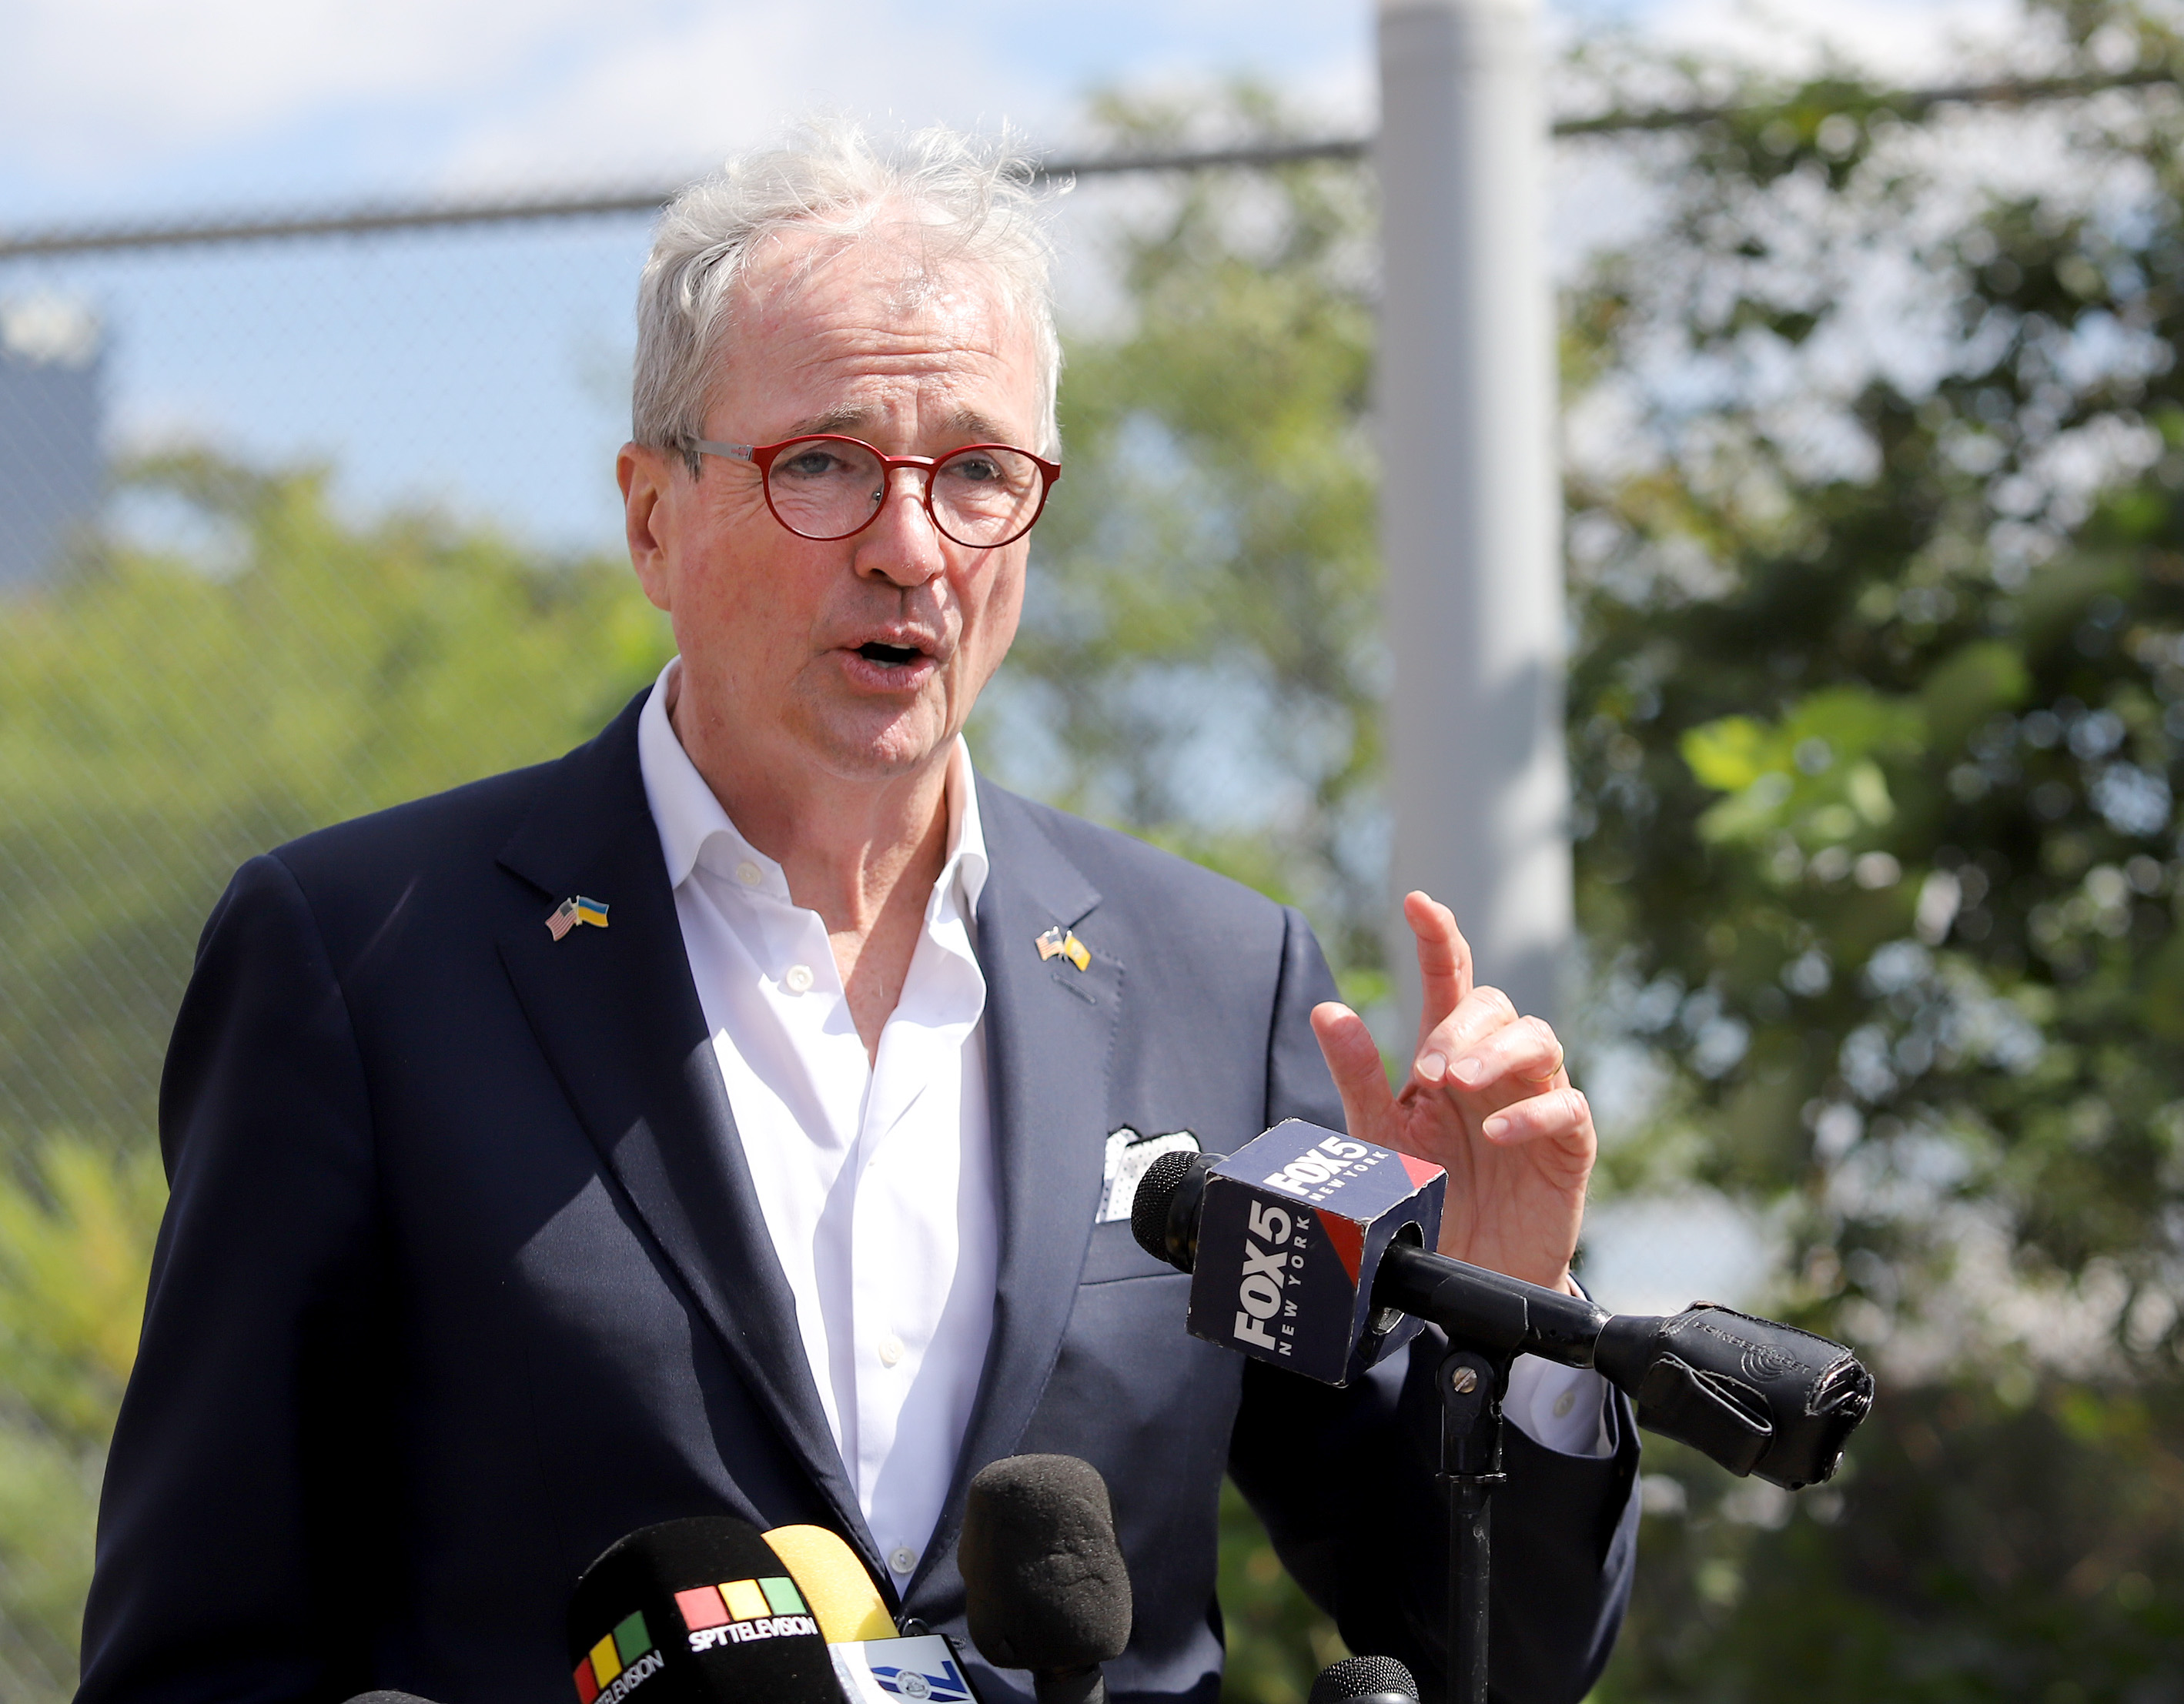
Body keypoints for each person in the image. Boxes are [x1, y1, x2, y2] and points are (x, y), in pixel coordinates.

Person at [78, 123, 1637, 1704]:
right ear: (651, 518)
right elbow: (200, 1658)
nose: (910, 548)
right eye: (822, 461)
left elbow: (1482, 1645)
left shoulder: (1218, 988)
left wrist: (1520, 1329)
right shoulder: (364, 963)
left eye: (977, 472)